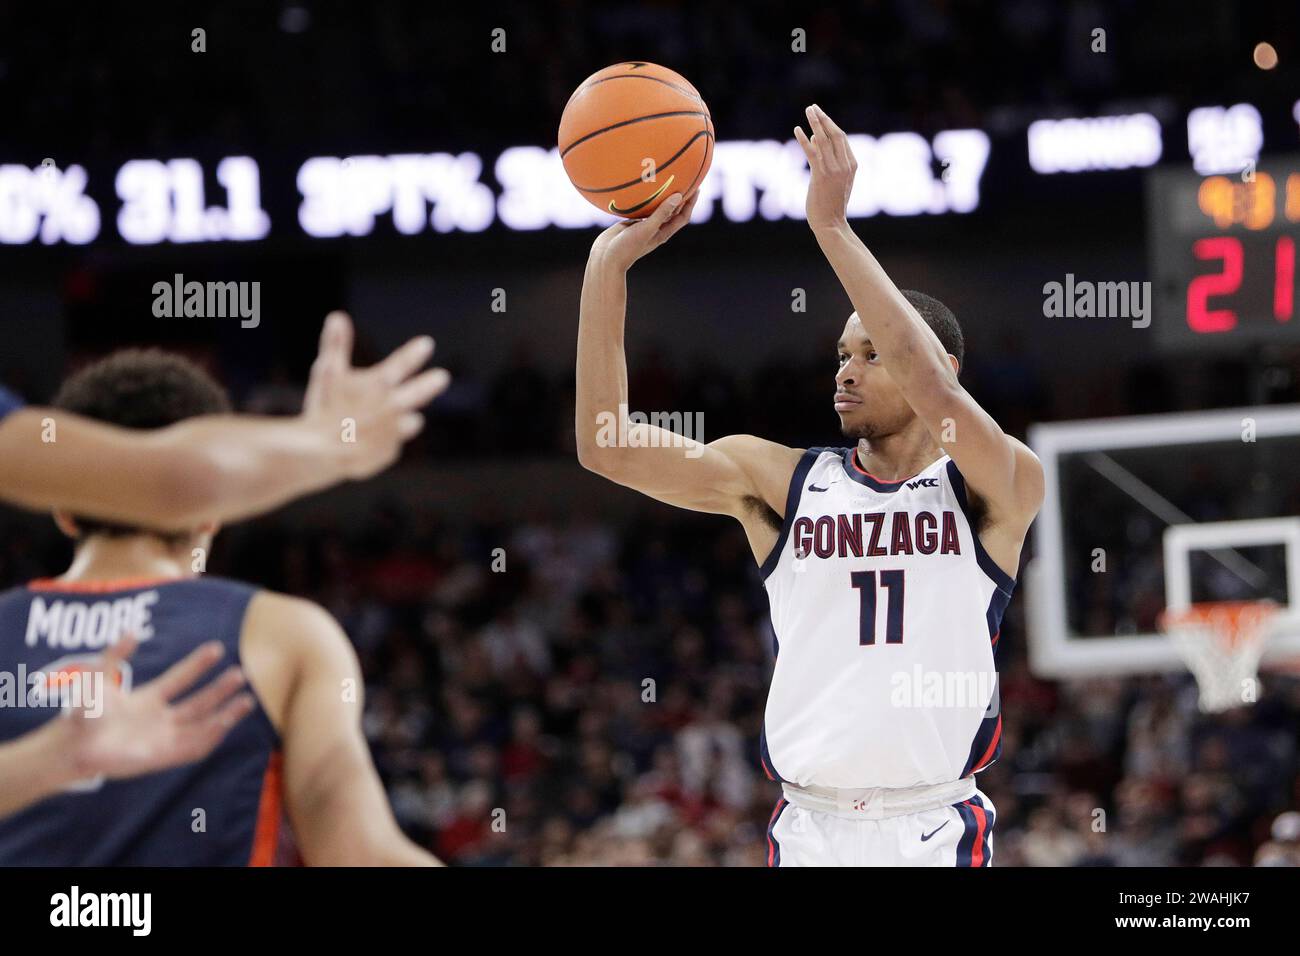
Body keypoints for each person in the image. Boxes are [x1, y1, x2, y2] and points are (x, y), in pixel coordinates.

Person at [574, 105, 1044, 866]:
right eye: (839, 353)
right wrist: (606, 268)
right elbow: (605, 447)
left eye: (870, 352)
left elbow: (938, 392)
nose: (846, 369)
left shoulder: (1000, 482)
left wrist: (833, 230)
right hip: (809, 831)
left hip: (933, 827)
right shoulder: (783, 480)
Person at [0, 346, 441, 865]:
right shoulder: (283, 634)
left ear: (63, 512)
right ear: (213, 513)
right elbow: (361, 853)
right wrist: (330, 437)